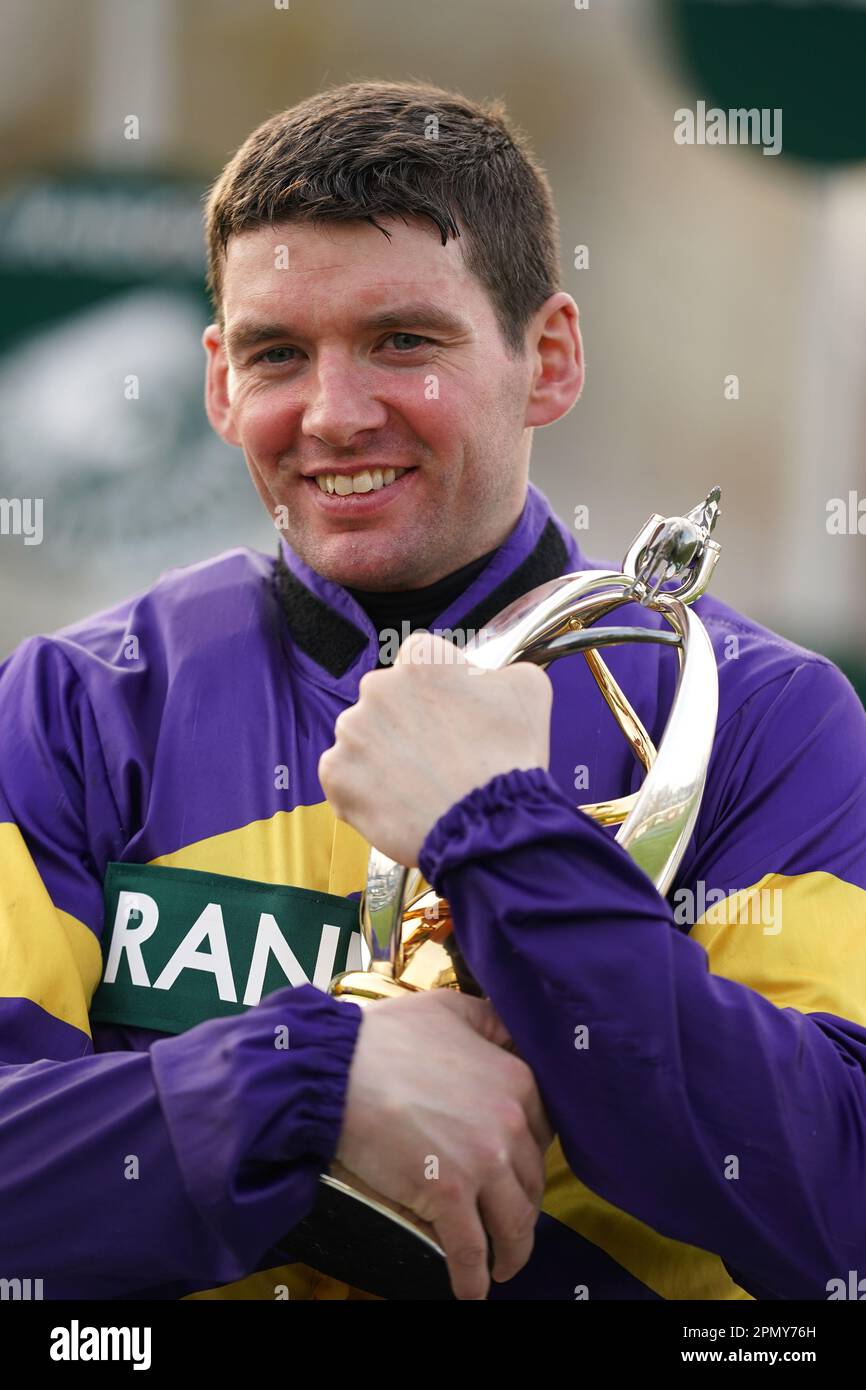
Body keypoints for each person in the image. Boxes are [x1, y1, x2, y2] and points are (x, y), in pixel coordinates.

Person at [1, 78, 865, 1303]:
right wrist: (308, 1084)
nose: (336, 414)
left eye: (404, 341)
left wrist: (500, 830)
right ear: (216, 383)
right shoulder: (71, 707)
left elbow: (834, 1207)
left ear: (547, 358)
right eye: (277, 354)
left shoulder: (768, 719)